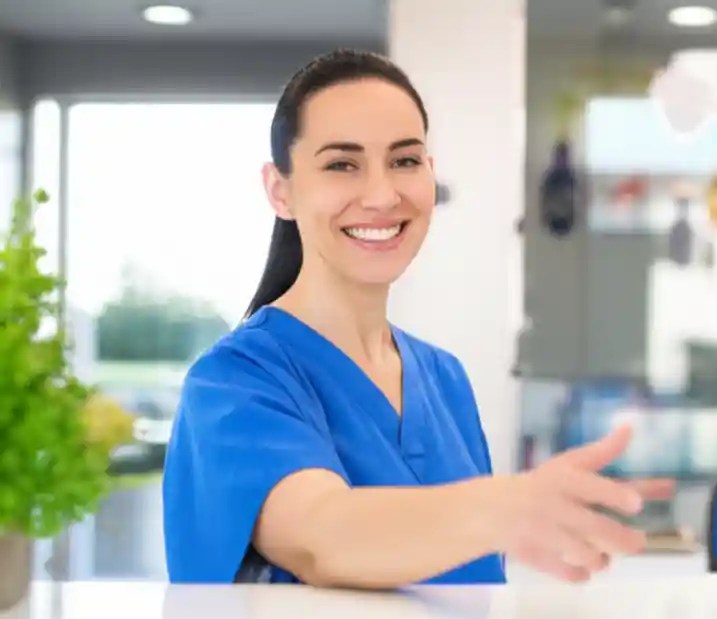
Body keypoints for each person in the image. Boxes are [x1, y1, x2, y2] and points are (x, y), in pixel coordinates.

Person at [162, 49, 672, 588]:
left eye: (405, 161)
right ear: (280, 191)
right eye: (342, 165)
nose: (382, 195)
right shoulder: (234, 383)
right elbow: (321, 538)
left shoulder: (443, 377)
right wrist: (501, 507)